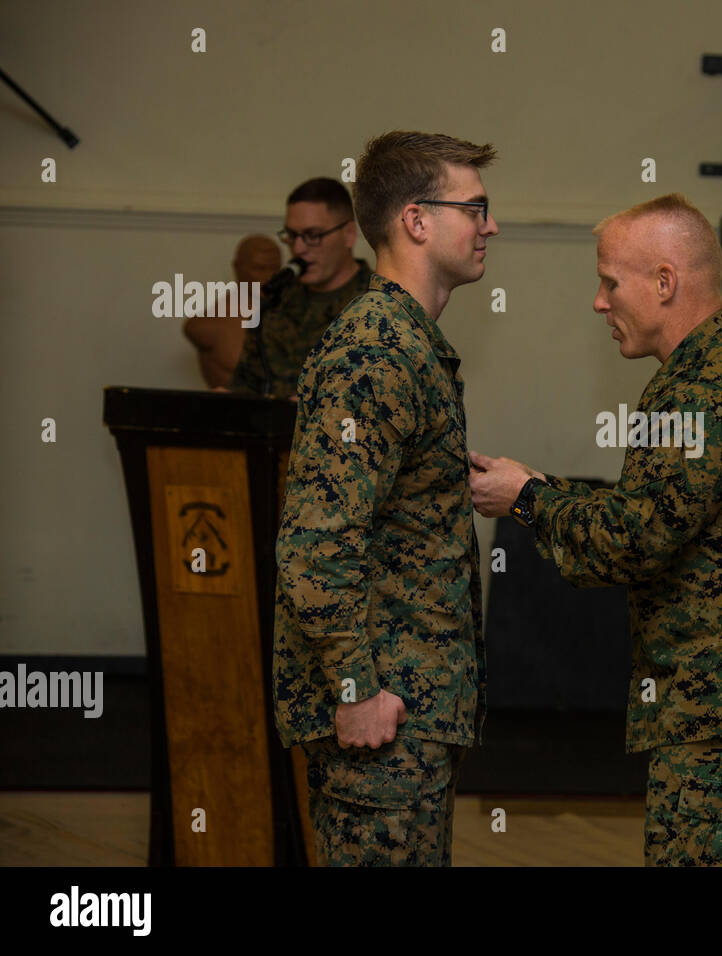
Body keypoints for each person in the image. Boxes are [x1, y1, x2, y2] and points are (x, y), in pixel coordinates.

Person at [469, 193, 722, 866]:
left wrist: (526, 500)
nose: (599, 302)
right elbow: (653, 513)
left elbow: (630, 543)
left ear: (665, 282)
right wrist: (538, 487)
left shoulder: (701, 393)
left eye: (610, 283)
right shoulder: (719, 373)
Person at [272, 132, 498, 866]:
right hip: (384, 712)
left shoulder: (408, 342)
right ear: (416, 220)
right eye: (475, 208)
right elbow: (314, 547)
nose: (490, 226)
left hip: (413, 706)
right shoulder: (374, 352)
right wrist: (356, 689)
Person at [228, 178, 372, 398]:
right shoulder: (275, 301)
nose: (298, 248)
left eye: (313, 236)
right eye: (292, 235)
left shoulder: (380, 305)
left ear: (349, 234)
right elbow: (247, 385)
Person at [183, 234, 281, 387]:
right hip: (233, 402)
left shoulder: (298, 318)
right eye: (259, 268)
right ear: (237, 267)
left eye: (275, 269)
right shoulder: (206, 325)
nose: (269, 277)